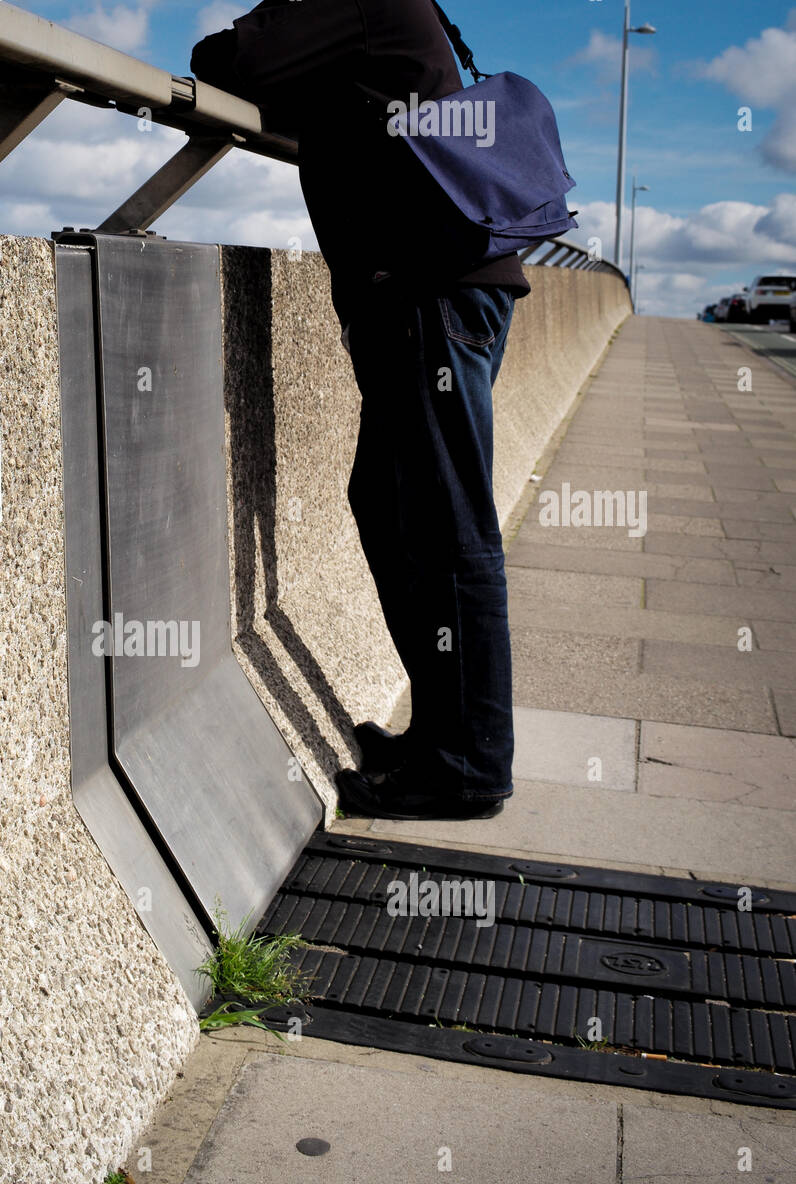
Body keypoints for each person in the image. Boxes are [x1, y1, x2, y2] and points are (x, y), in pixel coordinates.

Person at [192, 0, 531, 821]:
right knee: (386, 505)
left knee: (451, 532)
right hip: (428, 297)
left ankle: (467, 767)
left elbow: (224, 60)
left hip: (431, 301)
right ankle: (439, 738)